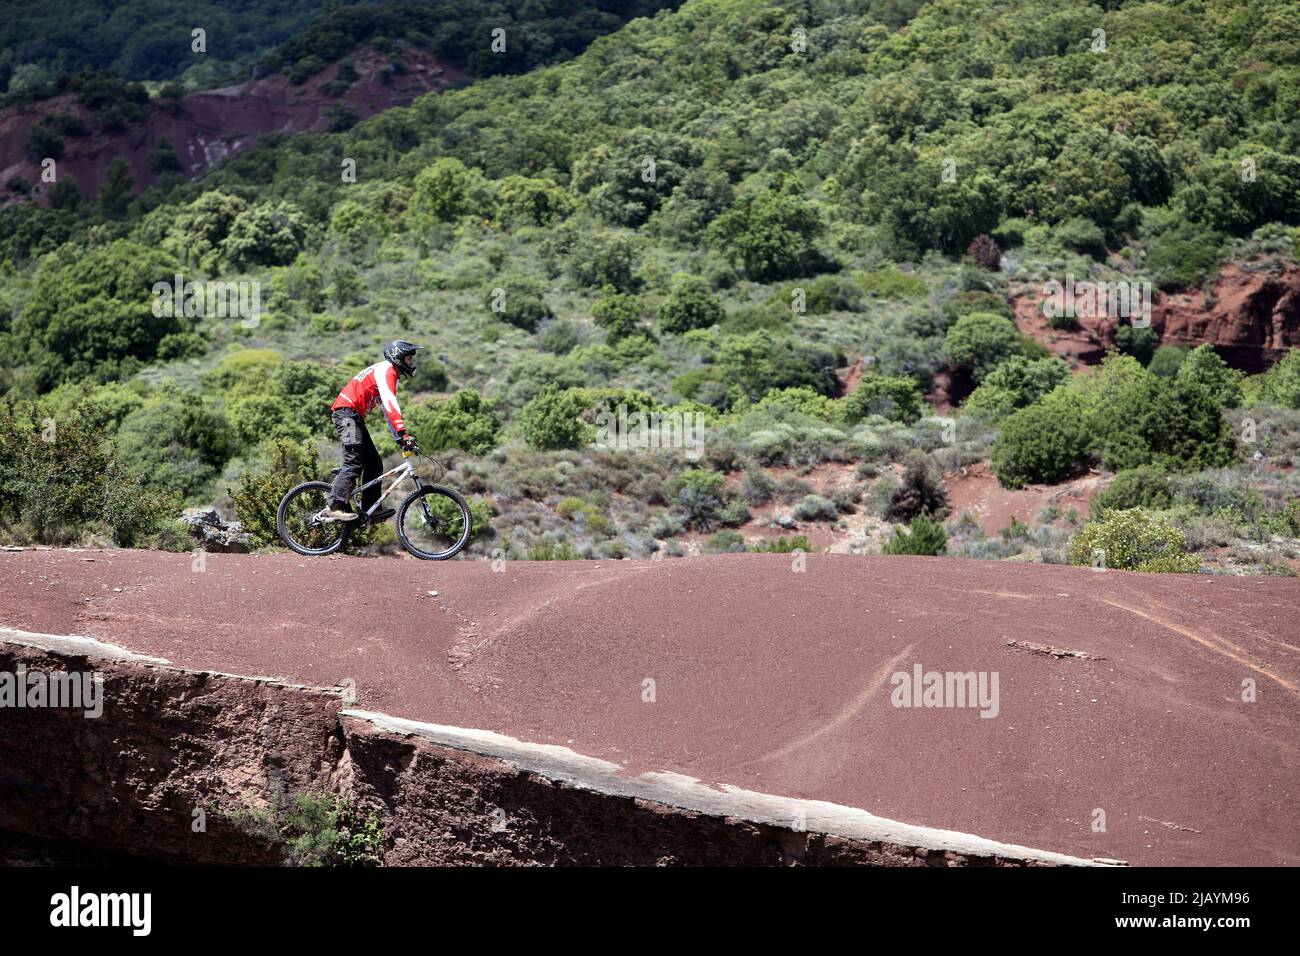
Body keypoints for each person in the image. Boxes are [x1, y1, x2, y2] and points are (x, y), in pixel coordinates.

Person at [323, 340, 424, 522]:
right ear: (398, 357)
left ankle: (371, 508)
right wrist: (402, 434)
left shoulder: (390, 374)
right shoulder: (387, 371)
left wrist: (400, 438)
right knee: (353, 462)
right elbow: (391, 405)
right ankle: (334, 506)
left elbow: (387, 410)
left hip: (353, 415)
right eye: (409, 359)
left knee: (374, 463)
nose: (411, 363)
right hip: (346, 413)